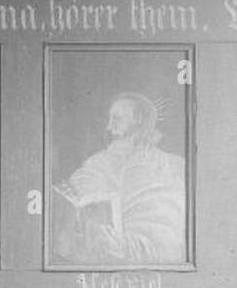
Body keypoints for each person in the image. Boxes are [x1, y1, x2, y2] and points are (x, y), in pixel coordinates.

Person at [54, 92, 187, 266]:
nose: (109, 127)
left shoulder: (174, 166)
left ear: (138, 119)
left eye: (116, 119)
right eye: (109, 120)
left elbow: (173, 237)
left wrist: (128, 247)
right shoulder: (96, 162)